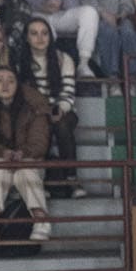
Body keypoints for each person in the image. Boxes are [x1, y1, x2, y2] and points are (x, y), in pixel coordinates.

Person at [0, 64, 52, 241]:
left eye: (11, 81)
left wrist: (23, 152)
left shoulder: (33, 107)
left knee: (27, 170)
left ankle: (41, 220)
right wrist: (0, 152)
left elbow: (40, 141)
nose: (5, 85)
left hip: (29, 159)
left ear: (18, 85)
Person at [18, 17, 80, 195]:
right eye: (34, 33)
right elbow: (22, 95)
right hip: (34, 111)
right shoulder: (20, 61)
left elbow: (68, 93)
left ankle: (72, 178)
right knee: (38, 124)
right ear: (27, 38)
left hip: (61, 109)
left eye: (44, 33)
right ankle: (40, 180)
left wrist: (59, 109)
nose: (40, 38)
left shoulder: (63, 59)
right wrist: (42, 111)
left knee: (62, 124)